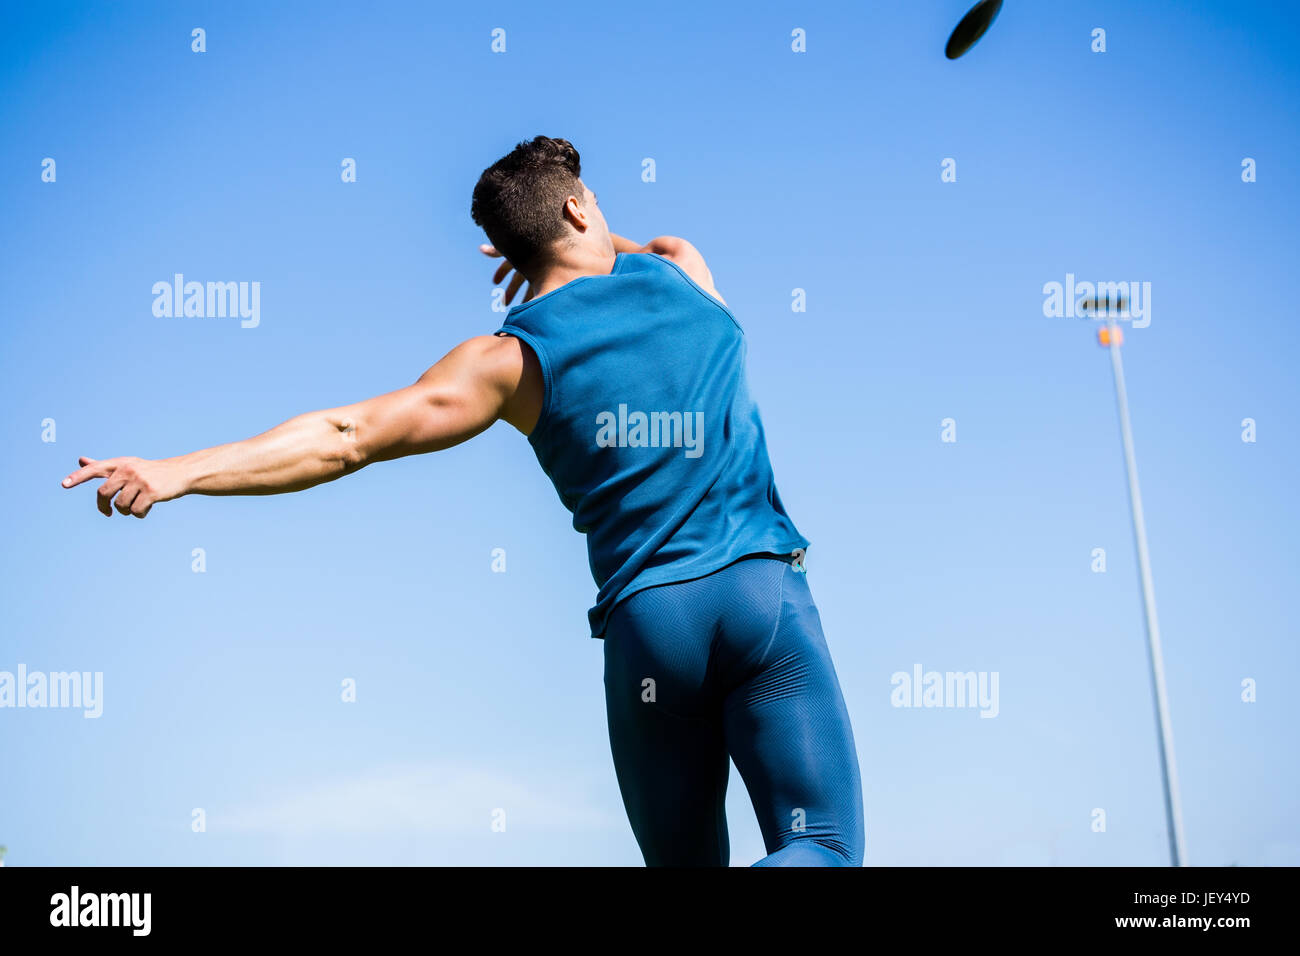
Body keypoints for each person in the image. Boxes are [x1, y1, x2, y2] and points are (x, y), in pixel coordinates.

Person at [62, 136, 864, 867]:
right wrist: (556, 236)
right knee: (819, 845)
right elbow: (648, 245)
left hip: (650, 630)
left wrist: (178, 471)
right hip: (761, 595)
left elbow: (345, 435)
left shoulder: (507, 362)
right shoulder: (683, 277)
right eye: (591, 203)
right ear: (578, 209)